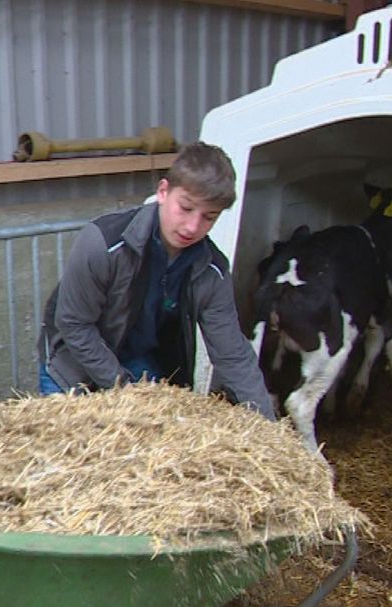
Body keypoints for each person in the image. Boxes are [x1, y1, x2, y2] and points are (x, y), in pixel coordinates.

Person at [37, 141, 276, 420]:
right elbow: (73, 324)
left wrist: (267, 424)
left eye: (209, 217)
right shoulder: (104, 242)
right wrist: (122, 389)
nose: (192, 227)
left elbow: (232, 354)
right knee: (74, 448)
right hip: (72, 364)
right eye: (185, 208)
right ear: (163, 191)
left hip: (138, 362)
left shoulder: (211, 270)